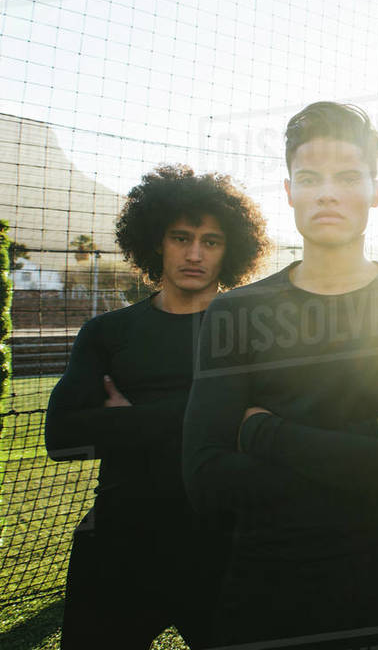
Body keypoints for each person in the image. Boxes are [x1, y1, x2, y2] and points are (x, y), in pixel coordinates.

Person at [182, 102, 378, 647]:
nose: (327, 193)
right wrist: (367, 444)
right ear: (289, 191)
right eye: (310, 178)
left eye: (347, 177)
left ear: (376, 191)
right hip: (263, 590)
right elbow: (206, 478)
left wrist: (261, 433)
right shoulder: (236, 312)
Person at [45, 164, 270, 649]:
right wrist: (216, 412)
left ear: (231, 249)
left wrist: (128, 420)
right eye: (181, 237)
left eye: (211, 241)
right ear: (156, 242)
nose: (195, 254)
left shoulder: (255, 334)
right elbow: (61, 437)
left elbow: (270, 431)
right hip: (118, 544)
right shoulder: (107, 333)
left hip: (224, 545)